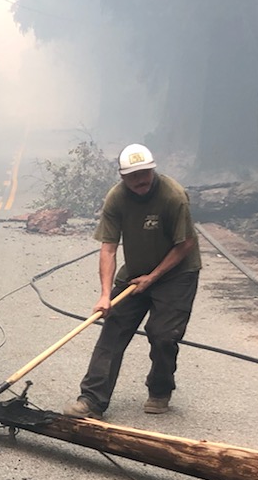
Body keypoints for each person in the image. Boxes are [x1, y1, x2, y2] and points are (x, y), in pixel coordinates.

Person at [65, 143, 200, 418]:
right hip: (136, 273)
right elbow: (109, 248)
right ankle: (92, 399)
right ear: (123, 176)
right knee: (113, 327)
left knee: (163, 335)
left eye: (145, 173)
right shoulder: (116, 199)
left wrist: (153, 277)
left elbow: (185, 244)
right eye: (134, 175)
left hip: (176, 274)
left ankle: (160, 390)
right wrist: (105, 295)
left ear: (152, 170)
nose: (141, 180)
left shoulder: (173, 196)